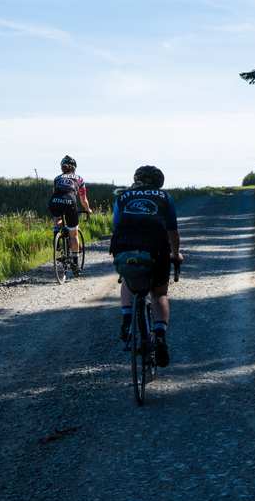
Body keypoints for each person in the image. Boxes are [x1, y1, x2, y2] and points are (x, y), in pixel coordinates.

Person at [110, 165, 183, 367]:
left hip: (124, 248)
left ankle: (126, 320)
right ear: (159, 181)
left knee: (127, 279)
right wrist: (175, 254)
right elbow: (172, 232)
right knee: (159, 294)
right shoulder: (164, 197)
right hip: (157, 250)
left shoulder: (122, 196)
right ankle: (159, 336)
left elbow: (115, 226)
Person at [48, 155, 92, 268]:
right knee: (74, 233)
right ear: (74, 167)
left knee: (57, 218)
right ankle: (75, 263)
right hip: (70, 202)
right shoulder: (80, 179)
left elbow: (56, 192)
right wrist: (88, 210)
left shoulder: (57, 178)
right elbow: (83, 199)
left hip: (54, 201)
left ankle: (56, 232)